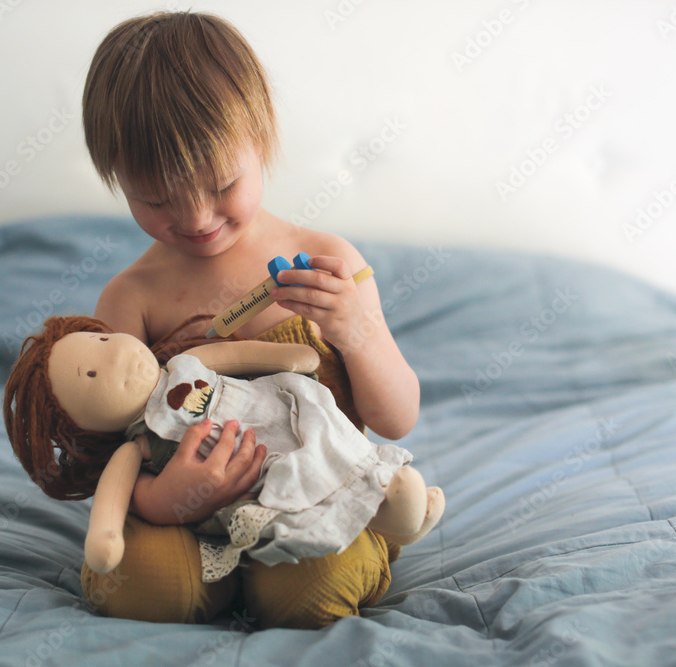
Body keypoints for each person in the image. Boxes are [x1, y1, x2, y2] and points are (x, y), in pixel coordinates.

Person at [76, 10, 422, 629]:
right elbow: (114, 459)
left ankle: (277, 578)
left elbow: (397, 417)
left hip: (315, 495)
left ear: (260, 139)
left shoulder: (330, 262)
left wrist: (355, 332)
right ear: (116, 180)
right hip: (187, 515)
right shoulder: (133, 298)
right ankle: (215, 579)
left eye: (221, 184)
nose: (197, 218)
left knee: (311, 590)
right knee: (141, 586)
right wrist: (167, 497)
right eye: (155, 200)